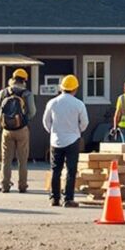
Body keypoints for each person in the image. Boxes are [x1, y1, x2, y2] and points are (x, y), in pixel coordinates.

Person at [43, 74, 88, 207]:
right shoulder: (79, 104)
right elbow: (85, 122)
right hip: (72, 139)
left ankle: (54, 198)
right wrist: (78, 131)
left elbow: (46, 121)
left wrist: (52, 132)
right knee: (71, 170)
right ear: (75, 89)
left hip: (55, 140)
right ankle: (68, 198)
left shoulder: (52, 102)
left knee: (55, 169)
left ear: (61, 88)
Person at [0, 69, 33, 194]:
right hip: (22, 129)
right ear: (24, 80)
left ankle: (5, 185)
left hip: (6, 130)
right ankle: (22, 186)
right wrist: (23, 119)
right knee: (22, 160)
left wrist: (5, 122)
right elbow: (32, 112)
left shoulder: (3, 92)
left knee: (6, 159)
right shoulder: (26, 93)